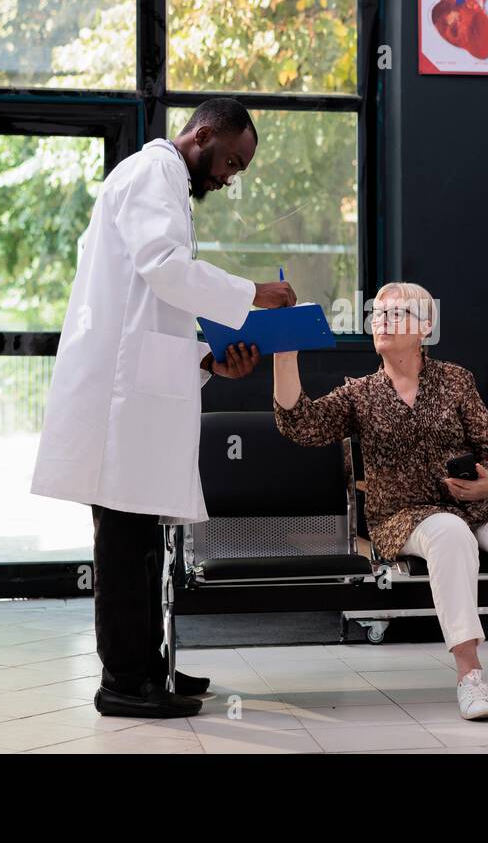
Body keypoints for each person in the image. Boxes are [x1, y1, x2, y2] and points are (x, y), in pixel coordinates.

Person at [30, 98, 296, 719]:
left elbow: (152, 311)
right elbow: (164, 269)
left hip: (136, 393)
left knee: (142, 540)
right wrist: (253, 292)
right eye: (230, 160)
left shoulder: (166, 186)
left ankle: (147, 667)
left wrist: (209, 360)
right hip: (119, 404)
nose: (229, 176)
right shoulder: (153, 174)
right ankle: (125, 682)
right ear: (201, 135)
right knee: (125, 543)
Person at [272, 282, 488, 721]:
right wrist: (284, 355)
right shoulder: (360, 393)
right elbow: (301, 425)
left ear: (425, 327)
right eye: (378, 314)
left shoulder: (456, 380)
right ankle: (470, 673)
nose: (382, 320)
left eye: (397, 313)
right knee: (449, 534)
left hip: (478, 503)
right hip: (406, 514)